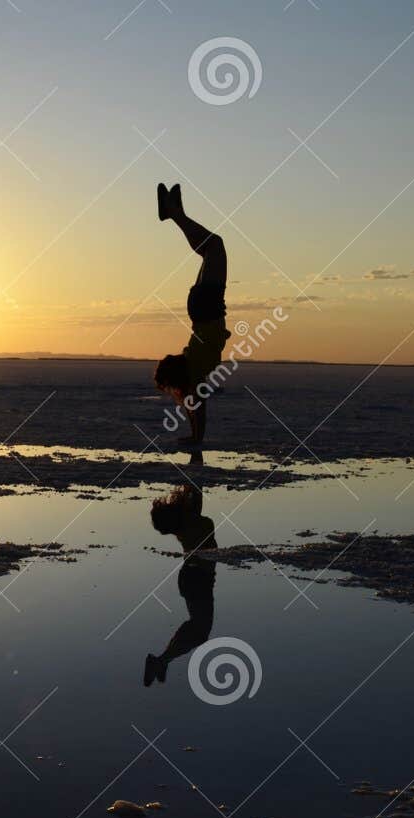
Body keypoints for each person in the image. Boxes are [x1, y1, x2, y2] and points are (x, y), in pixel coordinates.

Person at [153, 184, 230, 460]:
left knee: (215, 245)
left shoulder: (196, 374)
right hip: (200, 309)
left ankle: (174, 213)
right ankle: (175, 213)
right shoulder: (191, 362)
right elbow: (193, 406)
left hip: (208, 308)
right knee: (209, 249)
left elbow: (198, 409)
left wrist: (198, 438)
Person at [144, 481, 217, 685]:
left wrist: (196, 453)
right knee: (199, 629)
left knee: (199, 628)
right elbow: (196, 485)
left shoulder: (189, 520)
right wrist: (196, 453)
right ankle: (161, 660)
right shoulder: (189, 522)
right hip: (196, 578)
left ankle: (162, 661)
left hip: (195, 577)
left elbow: (196, 482)